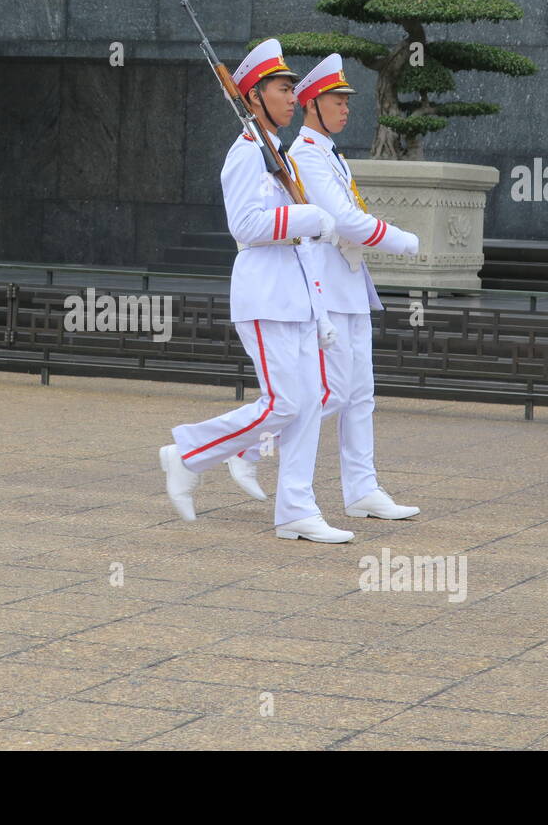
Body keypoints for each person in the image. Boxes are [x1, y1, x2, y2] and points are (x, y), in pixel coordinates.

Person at [159, 39, 354, 544]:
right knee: (284, 404)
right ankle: (188, 454)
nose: (293, 98)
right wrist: (310, 217)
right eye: (282, 89)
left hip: (296, 300)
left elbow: (300, 242)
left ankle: (295, 511)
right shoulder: (246, 154)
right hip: (265, 297)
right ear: (253, 97)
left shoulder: (279, 158)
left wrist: (321, 309)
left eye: (293, 89)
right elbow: (245, 225)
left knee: (309, 403)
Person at [231, 53, 421, 520]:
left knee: (359, 394)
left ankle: (361, 489)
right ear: (314, 105)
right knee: (329, 392)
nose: (346, 108)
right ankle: (252, 447)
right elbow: (346, 221)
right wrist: (405, 240)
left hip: (349, 285)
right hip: (322, 290)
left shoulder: (327, 156)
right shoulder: (305, 157)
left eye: (346, 101)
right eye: (336, 100)